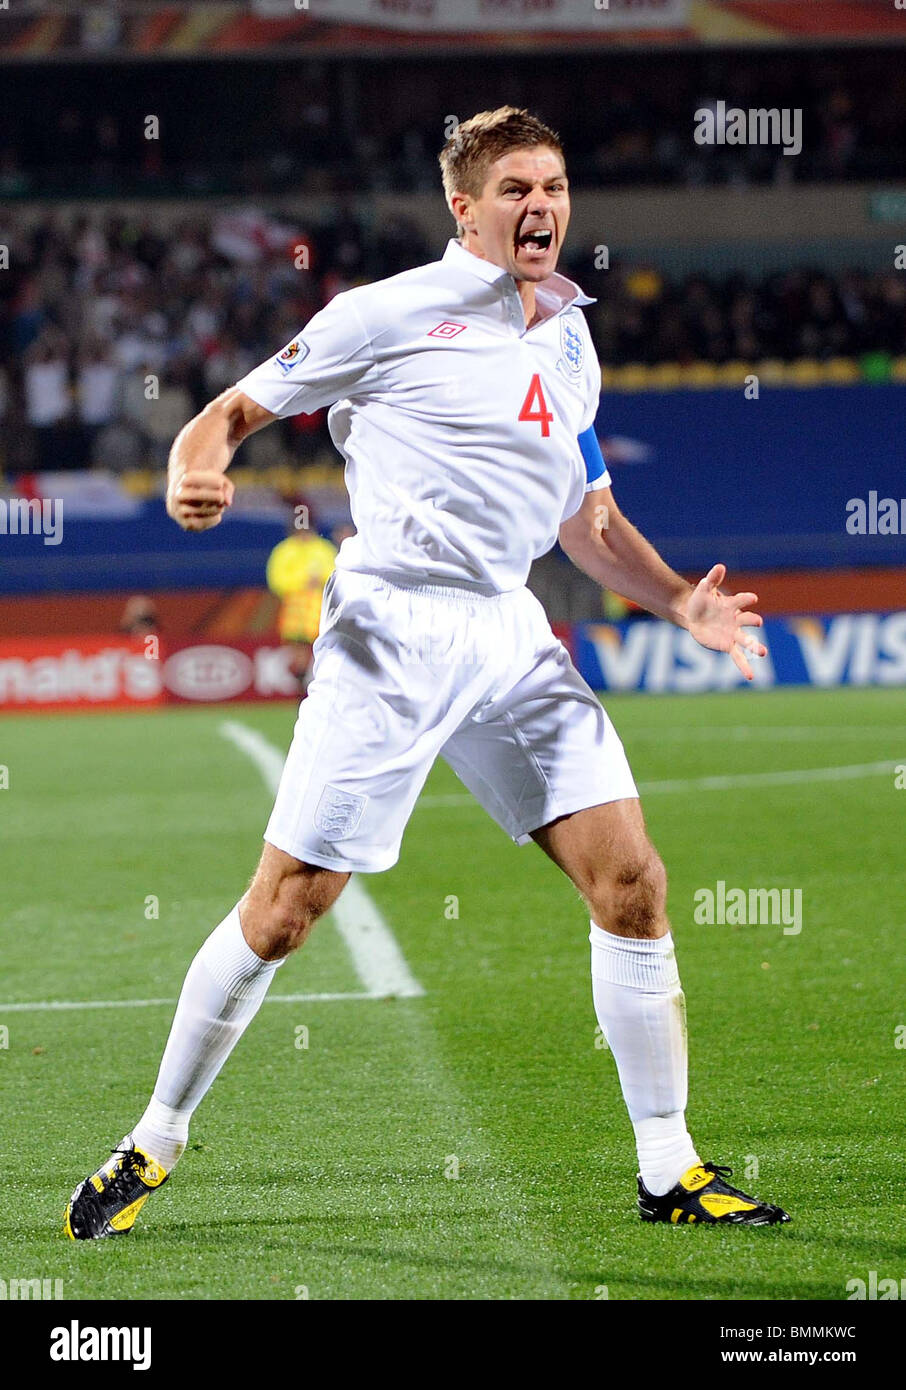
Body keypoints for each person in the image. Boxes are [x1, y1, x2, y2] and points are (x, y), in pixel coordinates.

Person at [65, 107, 788, 1241]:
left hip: (508, 631)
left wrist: (679, 597)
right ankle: (153, 1137)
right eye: (515, 190)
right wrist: (193, 466)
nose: (541, 206)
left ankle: (670, 1167)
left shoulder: (569, 335)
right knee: (286, 912)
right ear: (465, 207)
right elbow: (230, 413)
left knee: (632, 883)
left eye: (553, 186)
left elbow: (588, 516)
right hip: (390, 632)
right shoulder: (385, 314)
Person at [266, 504, 337, 689]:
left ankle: (321, 685)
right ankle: (301, 686)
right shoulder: (284, 550)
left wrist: (320, 580)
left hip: (321, 609)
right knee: (298, 650)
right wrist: (302, 581)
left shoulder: (323, 549)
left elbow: (336, 575)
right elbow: (277, 579)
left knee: (323, 649)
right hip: (295, 609)